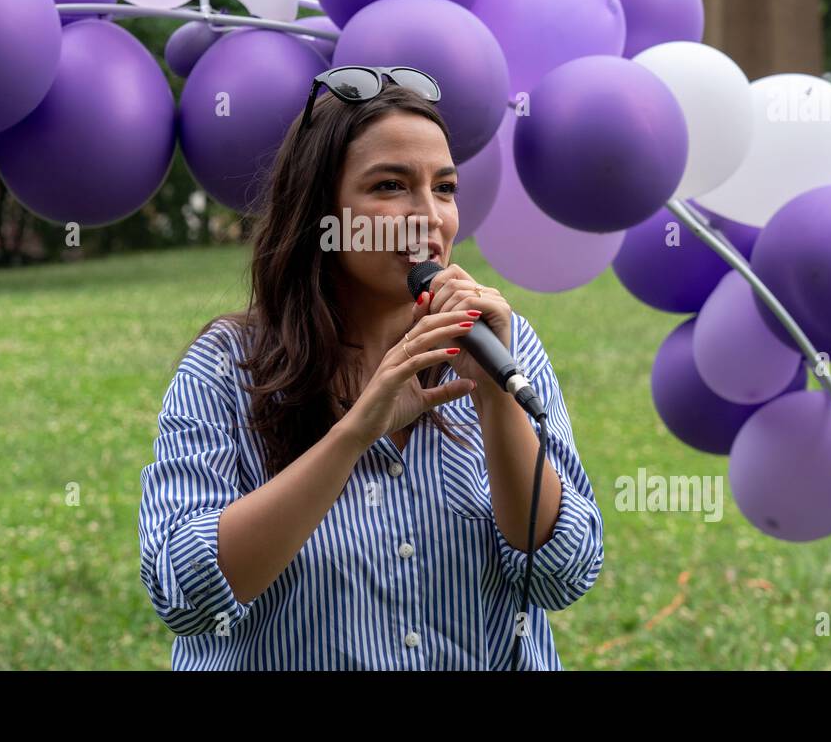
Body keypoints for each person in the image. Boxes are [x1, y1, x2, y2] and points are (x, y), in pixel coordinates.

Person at [138, 67, 604, 669]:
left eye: (444, 187)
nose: (428, 217)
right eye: (390, 186)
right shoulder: (228, 367)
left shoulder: (503, 345)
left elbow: (560, 575)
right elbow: (187, 596)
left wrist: (496, 403)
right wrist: (354, 434)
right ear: (321, 215)